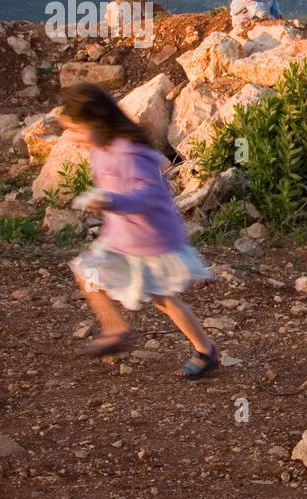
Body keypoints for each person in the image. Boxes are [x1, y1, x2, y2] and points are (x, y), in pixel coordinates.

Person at [59, 83, 219, 379]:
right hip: (122, 237)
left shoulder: (131, 153)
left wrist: (109, 200)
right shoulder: (100, 150)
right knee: (86, 274)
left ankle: (205, 350)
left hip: (153, 238)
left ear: (97, 122)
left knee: (164, 299)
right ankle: (116, 329)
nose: (77, 139)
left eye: (78, 130)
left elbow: (144, 196)